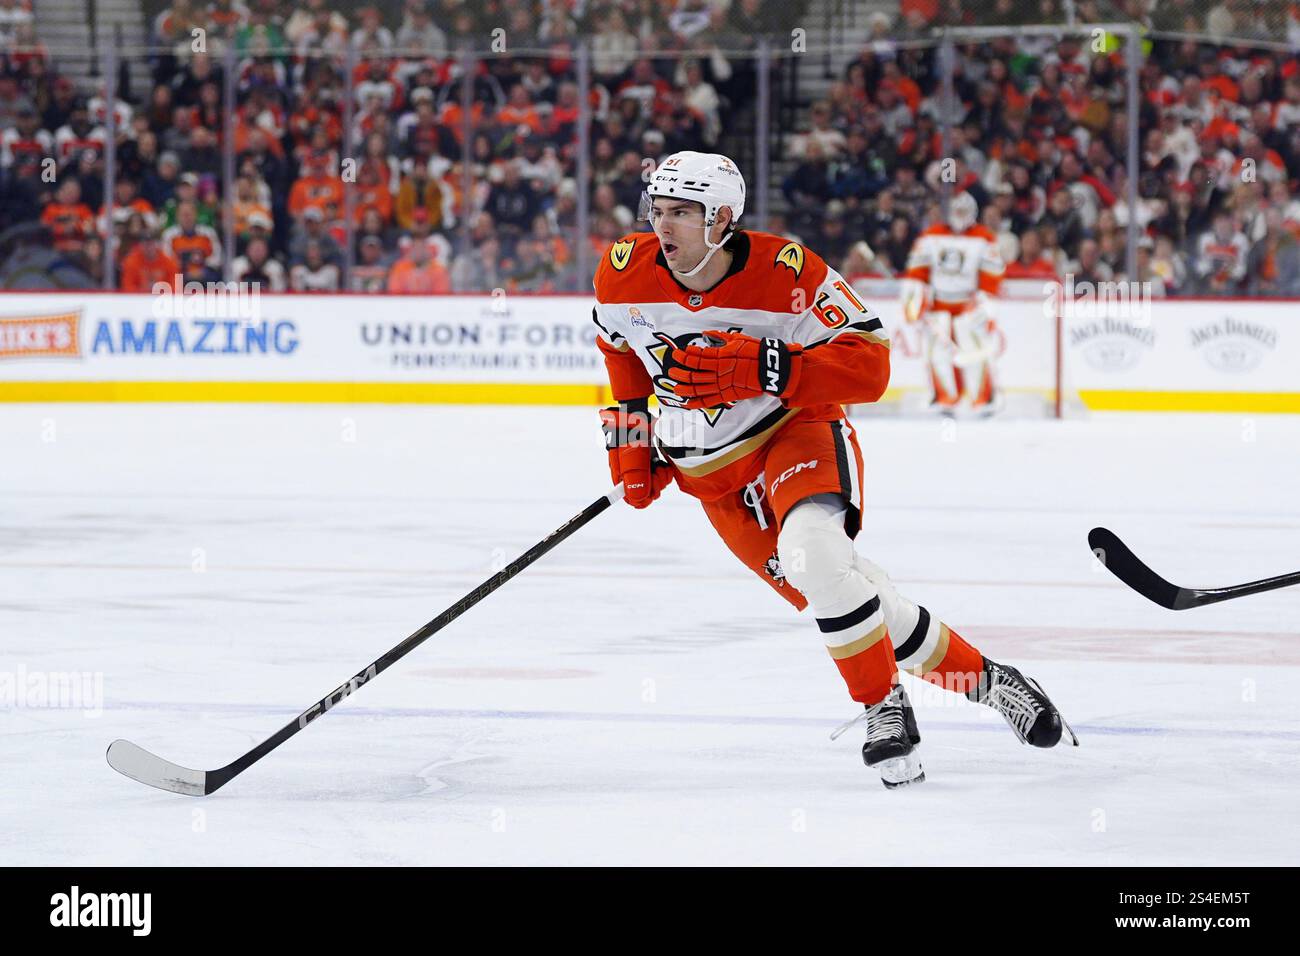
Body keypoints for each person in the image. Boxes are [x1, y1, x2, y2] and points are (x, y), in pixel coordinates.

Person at [592, 152, 1075, 788]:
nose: (664, 227)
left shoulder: (786, 271)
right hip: (713, 482)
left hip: (796, 433)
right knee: (842, 589)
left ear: (723, 219)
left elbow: (870, 366)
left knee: (815, 560)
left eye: (683, 213)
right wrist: (631, 440)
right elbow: (620, 350)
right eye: (659, 211)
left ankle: (883, 709)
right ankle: (991, 683)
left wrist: (767, 368)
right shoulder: (624, 272)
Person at [900, 191, 1005, 415]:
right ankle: (945, 398)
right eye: (956, 211)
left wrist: (984, 303)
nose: (960, 215)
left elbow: (991, 276)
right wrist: (913, 300)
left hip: (969, 304)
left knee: (976, 353)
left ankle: (982, 400)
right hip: (938, 305)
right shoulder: (930, 235)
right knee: (937, 355)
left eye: (964, 211)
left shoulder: (984, 237)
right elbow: (917, 273)